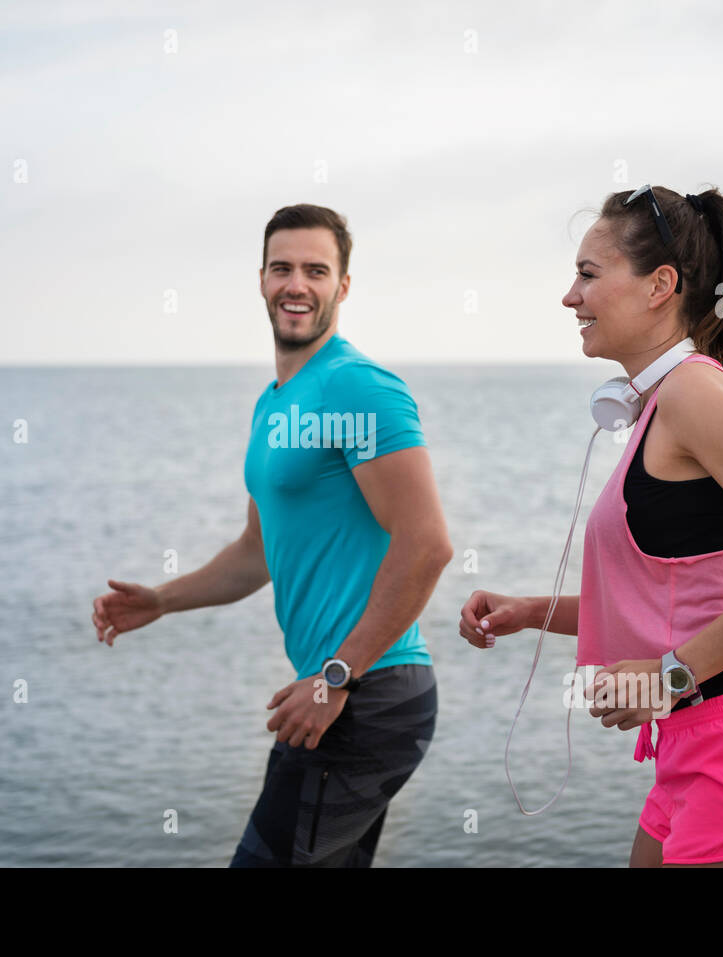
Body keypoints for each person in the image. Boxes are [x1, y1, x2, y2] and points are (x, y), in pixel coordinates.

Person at [459, 185, 723, 867]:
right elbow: (668, 599)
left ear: (660, 286)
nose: (569, 297)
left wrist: (669, 677)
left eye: (587, 274)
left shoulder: (694, 392)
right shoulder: (659, 408)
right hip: (693, 743)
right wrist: (528, 610)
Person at [94, 203, 452, 867]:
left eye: (317, 270)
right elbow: (256, 551)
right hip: (334, 690)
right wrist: (163, 599)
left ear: (343, 287)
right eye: (283, 267)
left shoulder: (357, 387)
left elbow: (427, 544)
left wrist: (336, 675)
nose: (298, 283)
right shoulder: (274, 403)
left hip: (367, 691)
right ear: (260, 278)